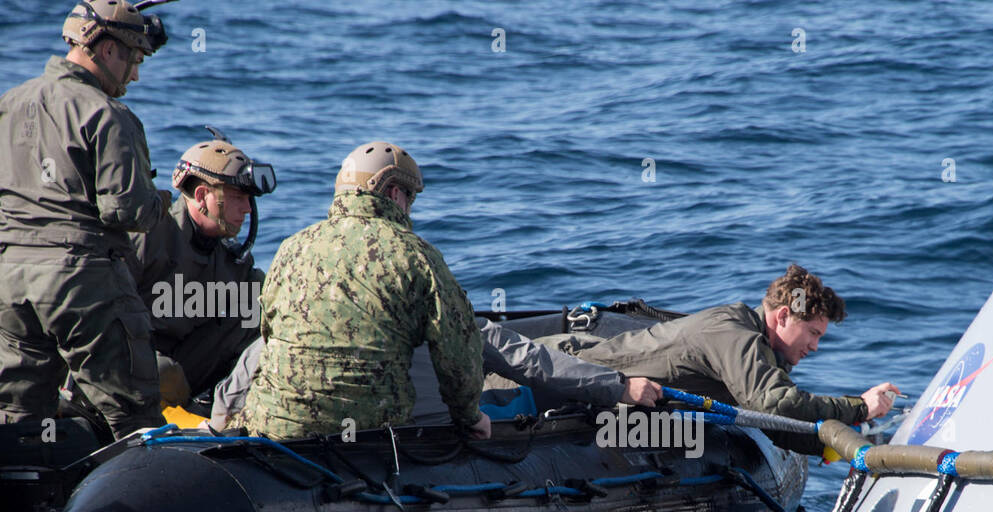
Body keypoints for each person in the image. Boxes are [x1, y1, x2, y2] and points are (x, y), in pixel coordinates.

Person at [0, 0, 177, 439]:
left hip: (9, 279)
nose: (134, 75)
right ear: (108, 49)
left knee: (17, 421)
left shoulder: (9, 103)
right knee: (134, 419)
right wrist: (162, 200)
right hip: (81, 281)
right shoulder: (108, 115)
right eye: (135, 59)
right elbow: (128, 211)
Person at [225, 142, 484, 440]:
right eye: (410, 197)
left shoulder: (291, 247)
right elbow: (457, 353)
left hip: (275, 427)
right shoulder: (417, 255)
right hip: (370, 432)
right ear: (394, 193)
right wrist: (470, 417)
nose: (409, 207)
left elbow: (269, 331)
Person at [547, 263, 900, 451]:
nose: (815, 346)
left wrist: (845, 441)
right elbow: (774, 405)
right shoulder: (735, 334)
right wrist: (858, 407)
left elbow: (772, 424)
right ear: (782, 317)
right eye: (813, 333)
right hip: (553, 365)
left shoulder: (757, 347)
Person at [210, 316, 663, 431]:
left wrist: (220, 424)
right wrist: (618, 386)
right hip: (423, 432)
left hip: (301, 436)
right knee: (526, 400)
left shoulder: (301, 297)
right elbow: (522, 357)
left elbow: (260, 353)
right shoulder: (418, 279)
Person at [130, 131, 277, 407]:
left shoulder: (231, 257)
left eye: (249, 199)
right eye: (237, 197)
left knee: (260, 314)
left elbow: (266, 311)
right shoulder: (147, 237)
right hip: (130, 368)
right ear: (201, 195)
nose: (247, 208)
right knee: (166, 374)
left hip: (184, 370)